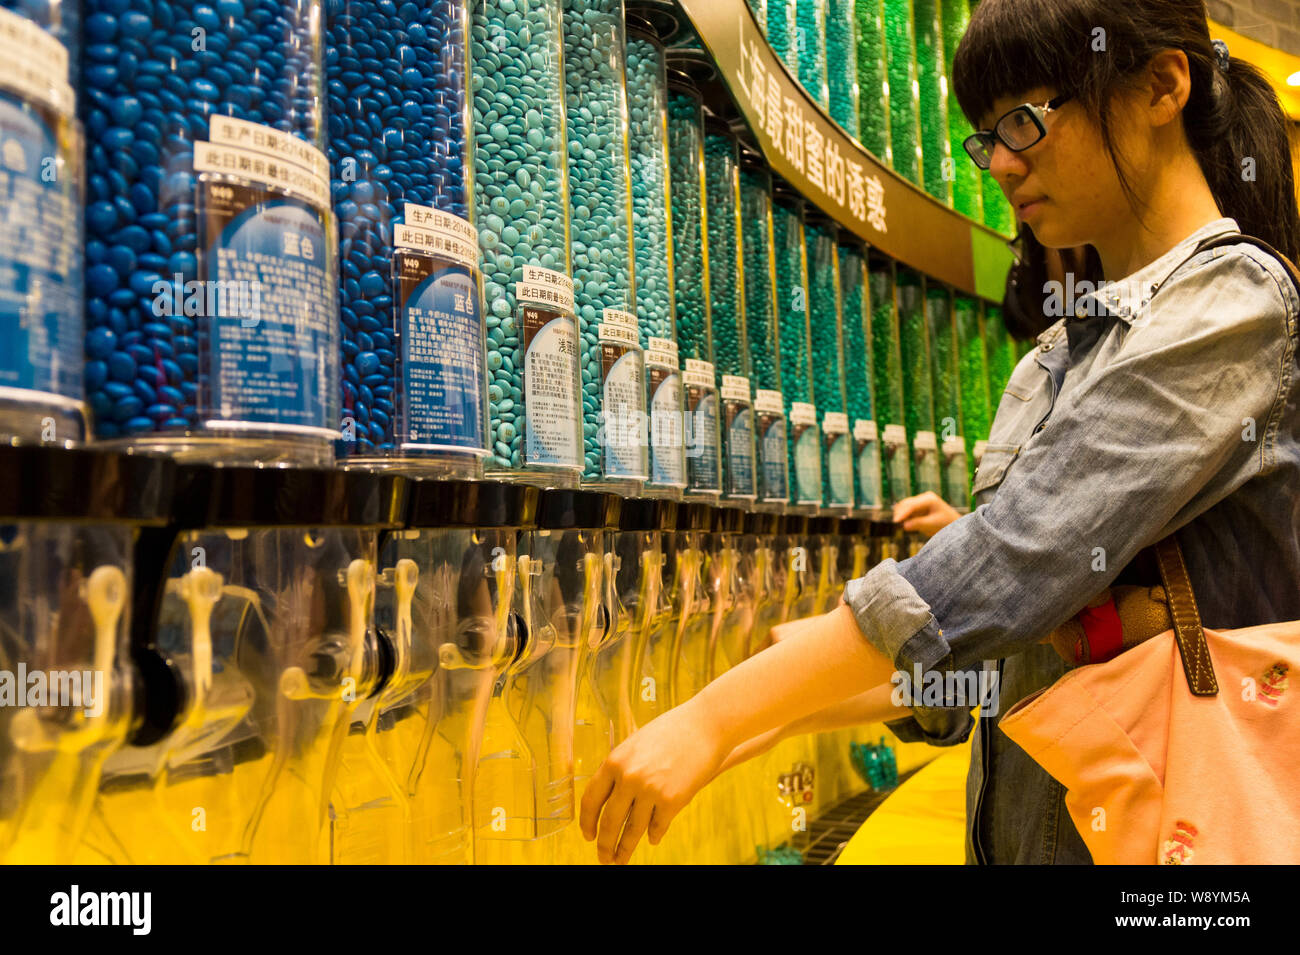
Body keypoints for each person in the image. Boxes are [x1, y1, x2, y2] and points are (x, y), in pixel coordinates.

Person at [580, 0, 1300, 865]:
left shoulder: (1234, 307)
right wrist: (776, 712)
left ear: (1161, 85)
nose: (1000, 162)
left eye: (1025, 122)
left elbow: (1009, 563)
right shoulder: (1049, 363)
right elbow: (999, 657)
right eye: (984, 136)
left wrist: (718, 716)